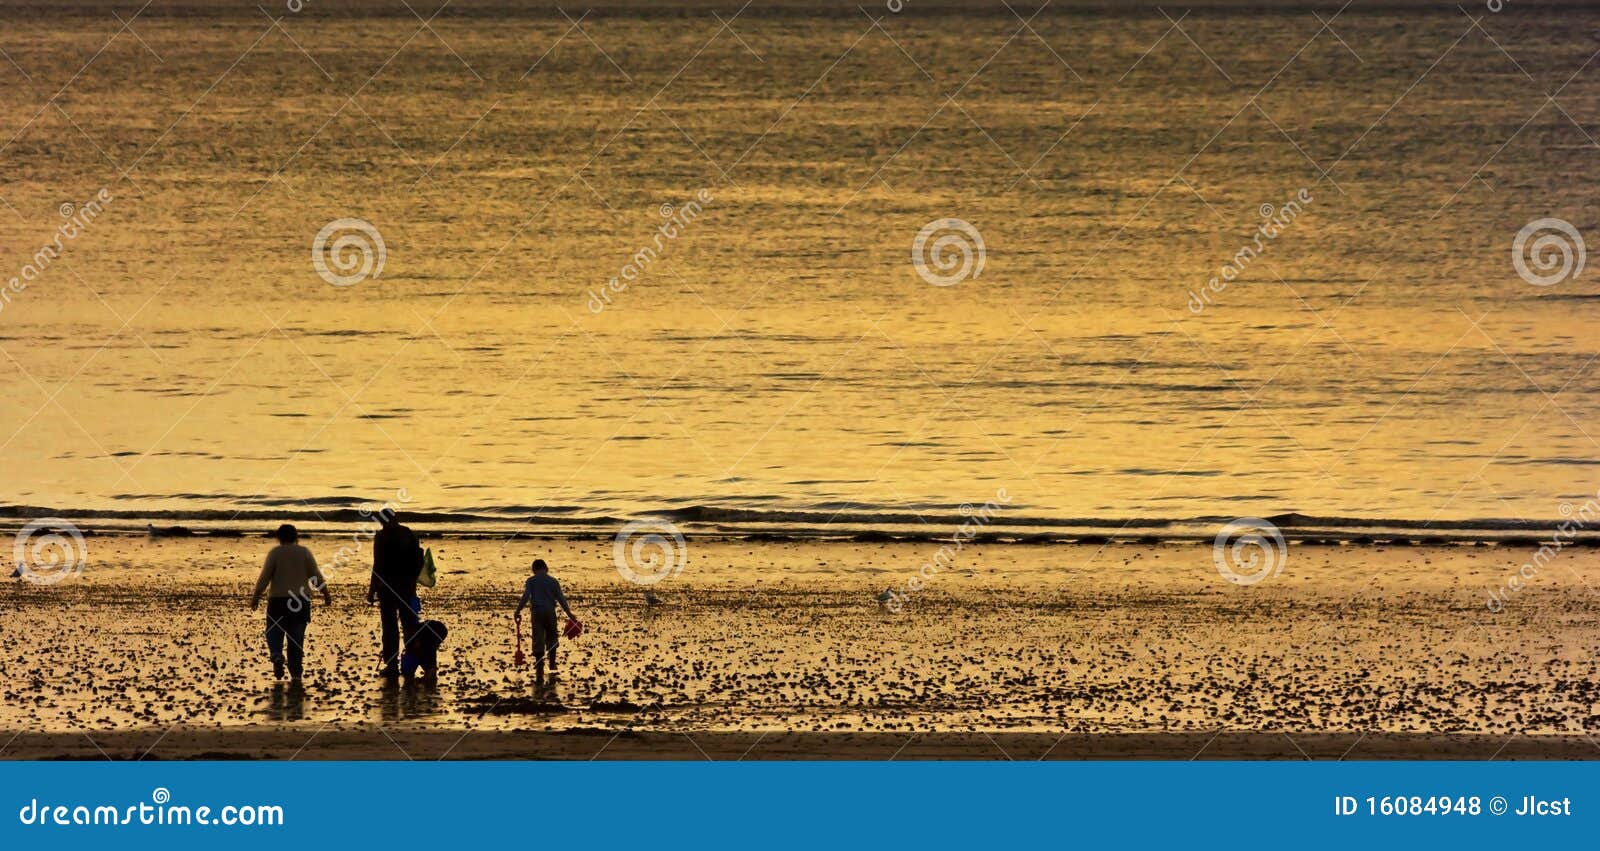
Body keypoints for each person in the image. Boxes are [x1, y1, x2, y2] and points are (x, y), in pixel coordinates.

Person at [251, 524, 330, 682]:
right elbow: (315, 576)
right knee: (296, 637)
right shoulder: (304, 552)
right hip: (300, 600)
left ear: (279, 537)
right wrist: (325, 593)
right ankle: (295, 673)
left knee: (274, 630)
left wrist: (257, 595)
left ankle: (276, 655)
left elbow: (265, 576)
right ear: (296, 536)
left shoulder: (275, 553)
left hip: (277, 599)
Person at [368, 509, 423, 679]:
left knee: (390, 628)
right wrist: (413, 584)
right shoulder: (409, 534)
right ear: (396, 519)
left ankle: (392, 666)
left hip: (387, 589)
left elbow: (377, 566)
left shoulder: (382, 537)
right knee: (410, 627)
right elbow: (418, 562)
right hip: (407, 587)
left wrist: (372, 590)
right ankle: (410, 665)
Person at [514, 559, 577, 682]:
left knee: (538, 637)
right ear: (546, 568)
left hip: (537, 611)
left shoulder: (531, 581)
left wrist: (518, 610)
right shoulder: (553, 581)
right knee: (552, 634)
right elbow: (561, 598)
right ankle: (552, 662)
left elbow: (525, 597)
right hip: (549, 611)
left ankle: (539, 666)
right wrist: (569, 613)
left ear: (534, 569)